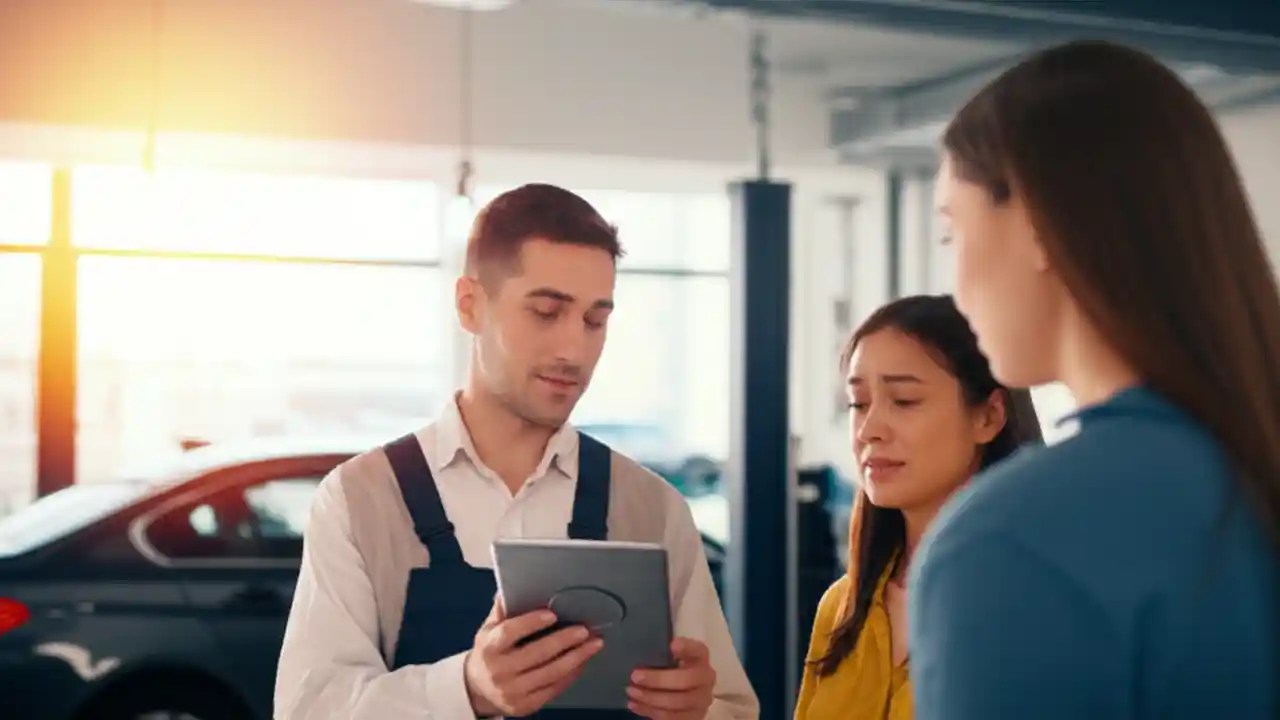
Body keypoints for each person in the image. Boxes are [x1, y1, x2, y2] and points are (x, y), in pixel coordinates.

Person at [274, 184, 758, 719]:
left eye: (595, 321)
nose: (574, 349)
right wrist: (467, 689)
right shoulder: (359, 501)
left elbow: (732, 709)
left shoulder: (653, 511)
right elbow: (307, 711)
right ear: (469, 305)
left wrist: (697, 711)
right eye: (546, 312)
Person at [911, 40, 1280, 719]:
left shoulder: (1012, 537)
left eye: (951, 233)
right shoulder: (1243, 472)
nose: (955, 286)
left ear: (1034, 223)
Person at [794, 295, 1041, 720]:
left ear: (988, 416)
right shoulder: (841, 608)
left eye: (904, 400)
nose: (869, 429)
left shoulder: (1038, 609)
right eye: (858, 403)